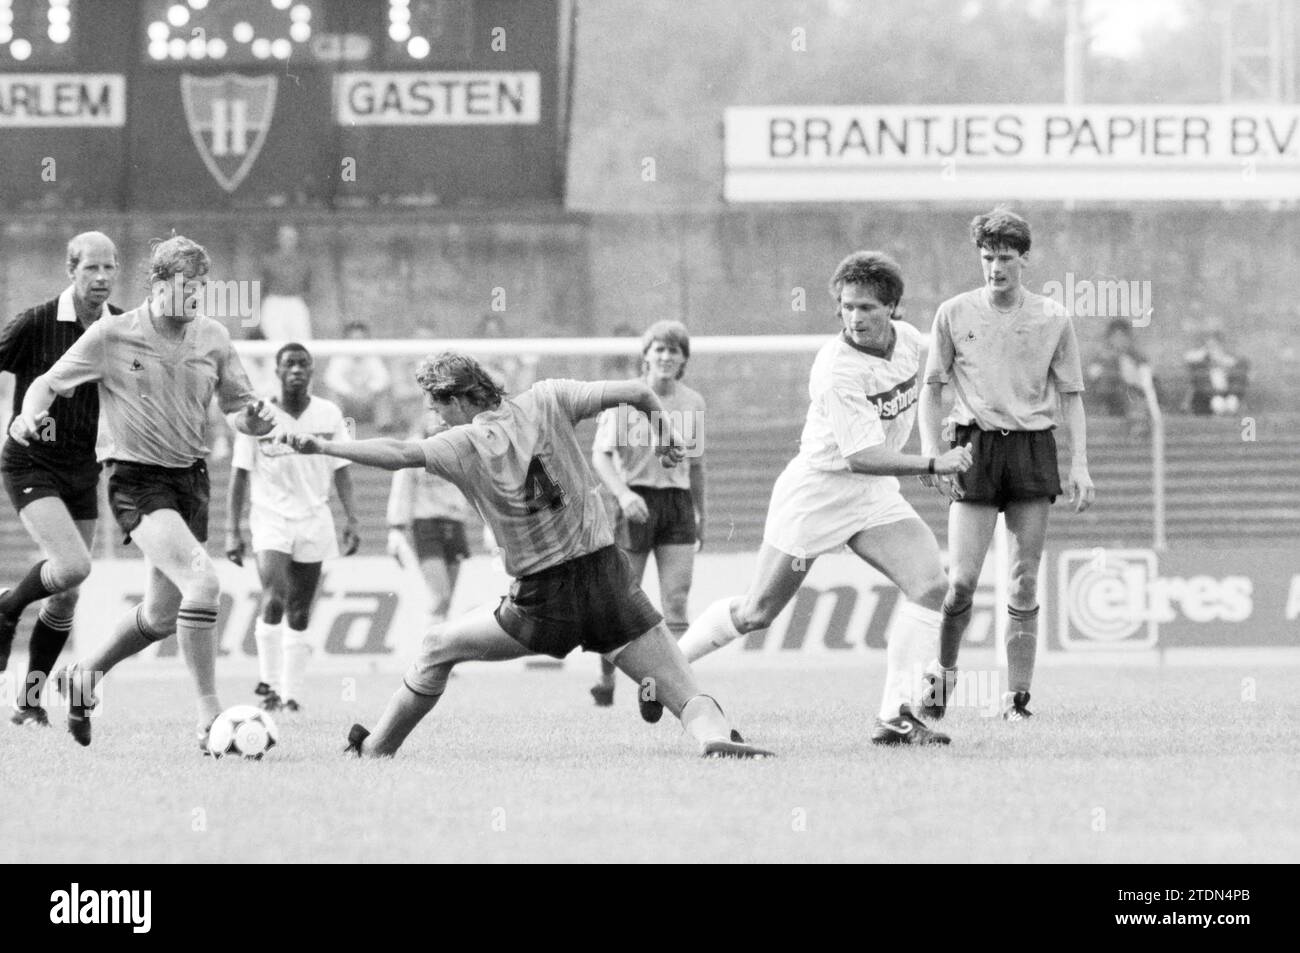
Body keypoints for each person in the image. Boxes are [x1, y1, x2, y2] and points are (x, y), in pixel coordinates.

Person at [280, 351, 773, 759]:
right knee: (685, 692)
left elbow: (400, 454)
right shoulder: (549, 397)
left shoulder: (463, 442)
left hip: (542, 602)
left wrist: (326, 447)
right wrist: (666, 435)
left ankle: (375, 751)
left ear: (455, 400)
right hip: (608, 582)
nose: (435, 417)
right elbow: (640, 393)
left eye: (437, 406)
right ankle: (712, 737)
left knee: (435, 648)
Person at [675, 251, 972, 745]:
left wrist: (946, 429)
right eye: (847, 307)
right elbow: (861, 456)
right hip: (818, 492)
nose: (855, 318)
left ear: (893, 307)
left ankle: (896, 717)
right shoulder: (835, 369)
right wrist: (932, 462)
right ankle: (671, 667)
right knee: (756, 613)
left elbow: (936, 384)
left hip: (872, 495)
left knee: (930, 585)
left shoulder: (911, 343)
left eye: (867, 308)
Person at [10, 235, 277, 749]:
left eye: (202, 288)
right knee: (203, 586)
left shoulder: (214, 337)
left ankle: (83, 675)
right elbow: (47, 381)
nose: (197, 298)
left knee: (159, 617)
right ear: (158, 285)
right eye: (187, 288)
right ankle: (209, 718)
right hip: (136, 482)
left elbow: (239, 409)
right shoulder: (112, 334)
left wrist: (257, 420)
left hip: (190, 481)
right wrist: (29, 414)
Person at [918, 207, 1095, 722]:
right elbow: (932, 391)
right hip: (974, 448)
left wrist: (1079, 464)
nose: (995, 267)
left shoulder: (1052, 317)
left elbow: (1072, 396)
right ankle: (942, 678)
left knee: (1022, 578)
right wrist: (934, 452)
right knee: (962, 582)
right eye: (988, 257)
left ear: (1024, 260)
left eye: (1006, 258)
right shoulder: (953, 312)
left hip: (1032, 447)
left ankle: (1016, 699)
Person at [0, 231, 122, 727]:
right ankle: (7, 608)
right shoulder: (36, 322)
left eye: (109, 268)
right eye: (91, 268)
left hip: (81, 470)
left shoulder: (123, 328)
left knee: (67, 593)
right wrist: (21, 418)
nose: (101, 278)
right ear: (71, 269)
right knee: (73, 566)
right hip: (30, 462)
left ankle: (29, 703)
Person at [225, 342, 360, 713]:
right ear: (278, 371)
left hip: (315, 517)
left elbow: (342, 468)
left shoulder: (328, 414)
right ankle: (267, 686)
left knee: (300, 612)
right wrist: (232, 531)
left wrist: (352, 518)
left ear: (312, 371)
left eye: (303, 365)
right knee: (273, 598)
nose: (297, 370)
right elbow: (239, 475)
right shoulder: (257, 415)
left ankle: (291, 694)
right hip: (270, 517)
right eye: (290, 365)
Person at [588, 320, 706, 715]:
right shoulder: (627, 400)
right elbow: (600, 454)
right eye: (660, 349)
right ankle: (607, 679)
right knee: (623, 601)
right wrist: (622, 494)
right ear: (646, 355)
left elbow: (697, 463)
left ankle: (666, 688)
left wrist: (700, 512)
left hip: (676, 505)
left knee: (675, 602)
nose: (667, 357)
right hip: (635, 504)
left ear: (684, 358)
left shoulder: (693, 402)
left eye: (675, 350)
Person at [385, 411, 475, 625]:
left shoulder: (461, 446)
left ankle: (439, 647)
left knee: (447, 600)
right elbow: (402, 489)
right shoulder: (414, 448)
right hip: (426, 525)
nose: (439, 421)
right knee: (440, 595)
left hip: (454, 523)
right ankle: (430, 651)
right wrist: (396, 529)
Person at [1086, 319, 1157, 435]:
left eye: (1123, 337)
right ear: (1109, 339)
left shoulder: (1136, 356)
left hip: (1132, 395)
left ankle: (1138, 423)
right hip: (1109, 397)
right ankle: (1138, 422)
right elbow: (1093, 375)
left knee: (1134, 395)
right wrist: (1111, 367)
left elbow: (1146, 376)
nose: (1119, 341)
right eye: (1116, 337)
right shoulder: (1103, 357)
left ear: (1129, 339)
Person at [322, 320, 396, 433]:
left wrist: (368, 390)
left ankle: (384, 427)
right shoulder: (339, 355)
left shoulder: (372, 355)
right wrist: (351, 392)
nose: (357, 343)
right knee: (332, 394)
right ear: (346, 340)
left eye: (361, 339)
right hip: (348, 400)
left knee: (384, 393)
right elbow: (331, 379)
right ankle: (334, 428)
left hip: (368, 399)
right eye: (353, 339)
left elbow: (383, 378)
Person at [259, 224, 313, 342]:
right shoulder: (268, 260)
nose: (288, 241)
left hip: (295, 301)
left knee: (301, 341)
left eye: (291, 238)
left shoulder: (303, 261)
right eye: (285, 238)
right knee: (275, 340)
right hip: (274, 301)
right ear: (279, 239)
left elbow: (307, 285)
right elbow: (263, 284)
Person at [1184, 330, 1248, 416]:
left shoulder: (1227, 361)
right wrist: (1205, 352)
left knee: (1231, 402)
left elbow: (1236, 363)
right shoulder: (1201, 363)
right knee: (1217, 403)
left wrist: (1221, 362)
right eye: (1209, 347)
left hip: (1227, 395)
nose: (1212, 350)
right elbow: (1189, 358)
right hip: (1209, 398)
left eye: (1215, 346)